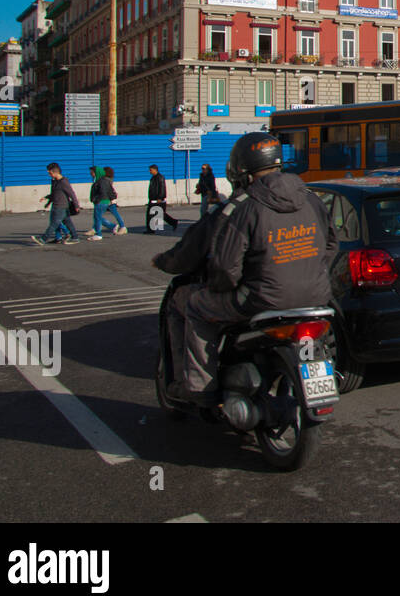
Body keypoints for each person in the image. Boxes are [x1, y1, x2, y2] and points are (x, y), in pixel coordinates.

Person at [155, 132, 337, 405]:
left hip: (259, 300)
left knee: (193, 305)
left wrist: (218, 287)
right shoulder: (312, 199)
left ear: (243, 171)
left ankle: (200, 387)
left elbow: (226, 269)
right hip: (316, 297)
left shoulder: (243, 207)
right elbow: (332, 247)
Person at [33, 163, 81, 245]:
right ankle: (75, 237)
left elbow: (71, 194)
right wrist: (47, 199)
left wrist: (76, 205)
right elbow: (54, 193)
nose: (49, 175)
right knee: (68, 223)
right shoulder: (55, 181)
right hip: (57, 206)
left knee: (54, 224)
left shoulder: (64, 181)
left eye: (50, 173)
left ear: (55, 172)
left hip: (61, 206)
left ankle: (43, 239)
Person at [147, 164, 179, 233]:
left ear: (155, 170)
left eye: (151, 170)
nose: (149, 171)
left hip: (158, 200)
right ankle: (150, 230)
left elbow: (162, 188)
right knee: (151, 214)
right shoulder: (153, 178)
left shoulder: (160, 177)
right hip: (153, 199)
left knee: (160, 214)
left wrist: (160, 198)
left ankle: (173, 222)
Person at [86, 166, 116, 240]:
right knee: (97, 217)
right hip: (103, 201)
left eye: (92, 172)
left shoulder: (101, 181)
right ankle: (112, 226)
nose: (91, 174)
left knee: (97, 218)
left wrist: (96, 200)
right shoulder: (101, 180)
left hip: (101, 201)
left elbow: (103, 192)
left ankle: (98, 234)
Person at [100, 166, 127, 234]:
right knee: (115, 213)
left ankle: (117, 226)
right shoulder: (109, 179)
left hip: (108, 199)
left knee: (98, 216)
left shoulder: (105, 180)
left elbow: (107, 190)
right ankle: (121, 227)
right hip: (110, 199)